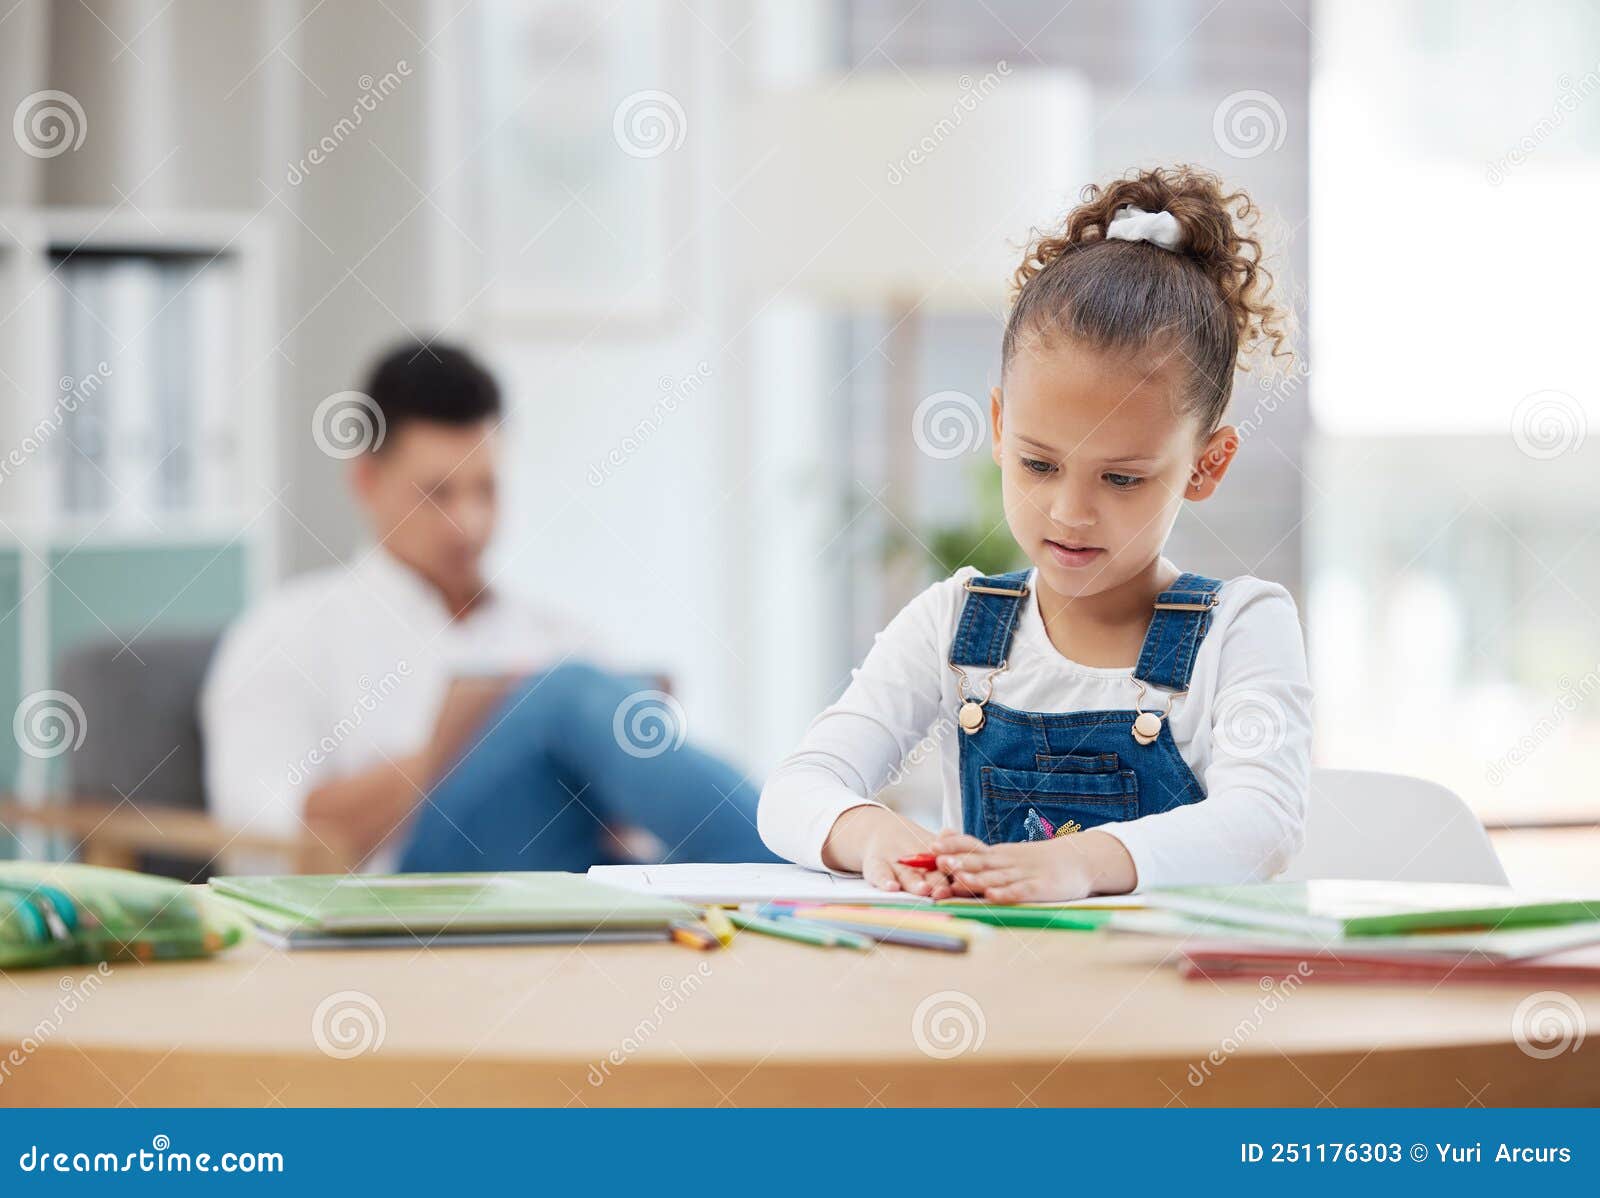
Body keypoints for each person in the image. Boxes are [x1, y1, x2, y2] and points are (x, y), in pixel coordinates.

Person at [757, 165, 1314, 903]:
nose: (1070, 513)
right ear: (997, 428)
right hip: (990, 1000)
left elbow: (1261, 824)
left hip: (1169, 1002)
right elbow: (793, 792)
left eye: (1122, 479)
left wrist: (1082, 863)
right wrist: (872, 834)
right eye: (1039, 464)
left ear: (1206, 465)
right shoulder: (957, 622)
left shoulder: (1242, 628)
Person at [201, 341, 775, 873]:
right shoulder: (289, 631)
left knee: (678, 875)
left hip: (563, 884)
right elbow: (266, 848)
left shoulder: (554, 629)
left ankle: (783, 882)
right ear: (368, 482)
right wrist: (443, 753)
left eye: (487, 490)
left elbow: (630, 833)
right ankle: (800, 861)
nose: (469, 524)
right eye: (438, 494)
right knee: (565, 691)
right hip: (405, 897)